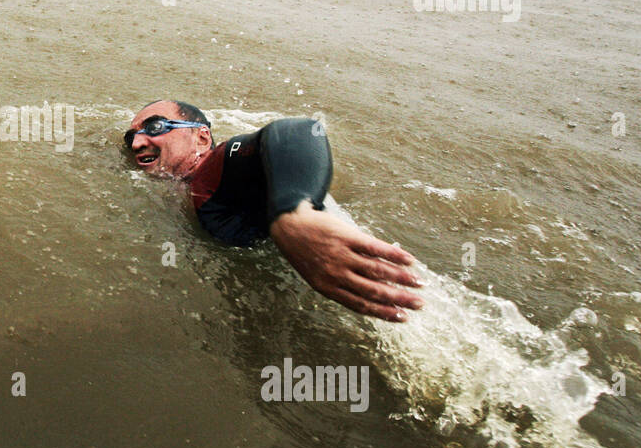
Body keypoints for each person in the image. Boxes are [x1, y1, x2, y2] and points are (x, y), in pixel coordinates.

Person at [124, 99, 424, 323]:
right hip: (346, 291)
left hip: (364, 290)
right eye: (131, 138)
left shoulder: (212, 169)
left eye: (155, 127)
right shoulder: (188, 191)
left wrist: (293, 214)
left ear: (202, 138)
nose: (137, 143)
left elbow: (299, 131)